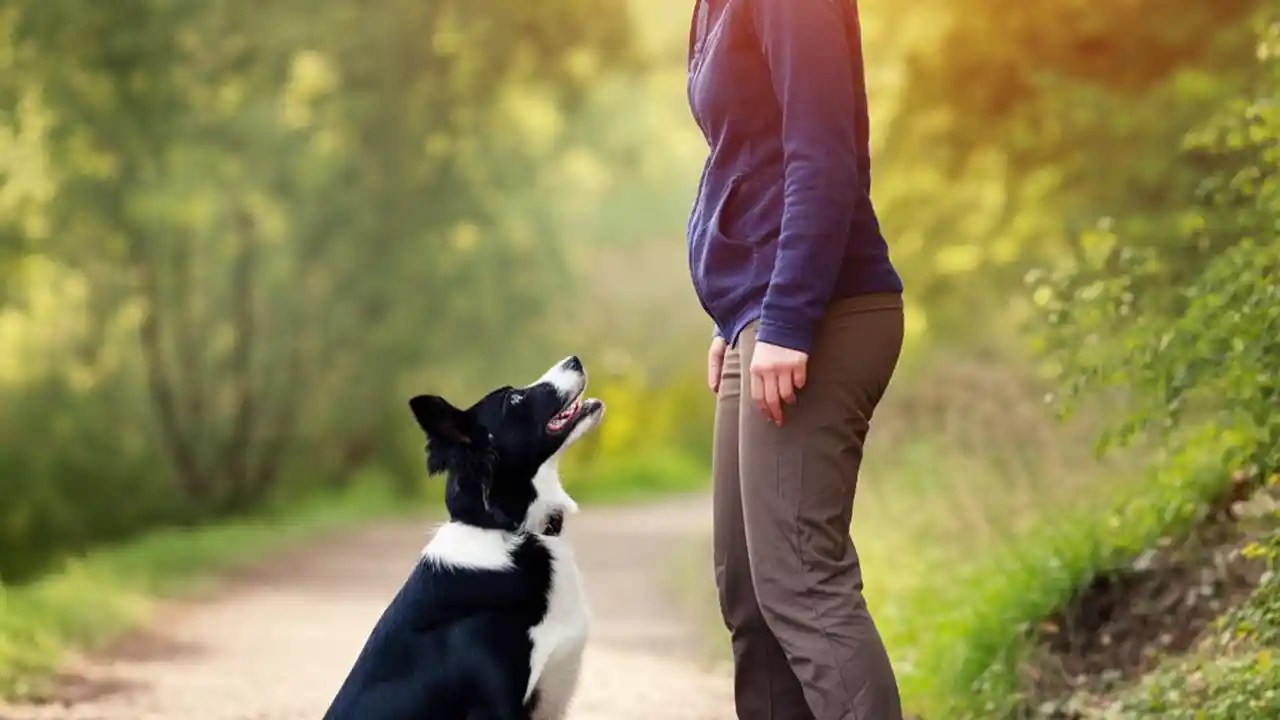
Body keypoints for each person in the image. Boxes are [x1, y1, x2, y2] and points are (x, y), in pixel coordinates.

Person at [686, 0, 905, 718]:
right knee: (750, 594)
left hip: (823, 310)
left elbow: (822, 156)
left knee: (805, 588)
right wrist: (738, 311)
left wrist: (784, 314)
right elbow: (748, 158)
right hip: (760, 312)